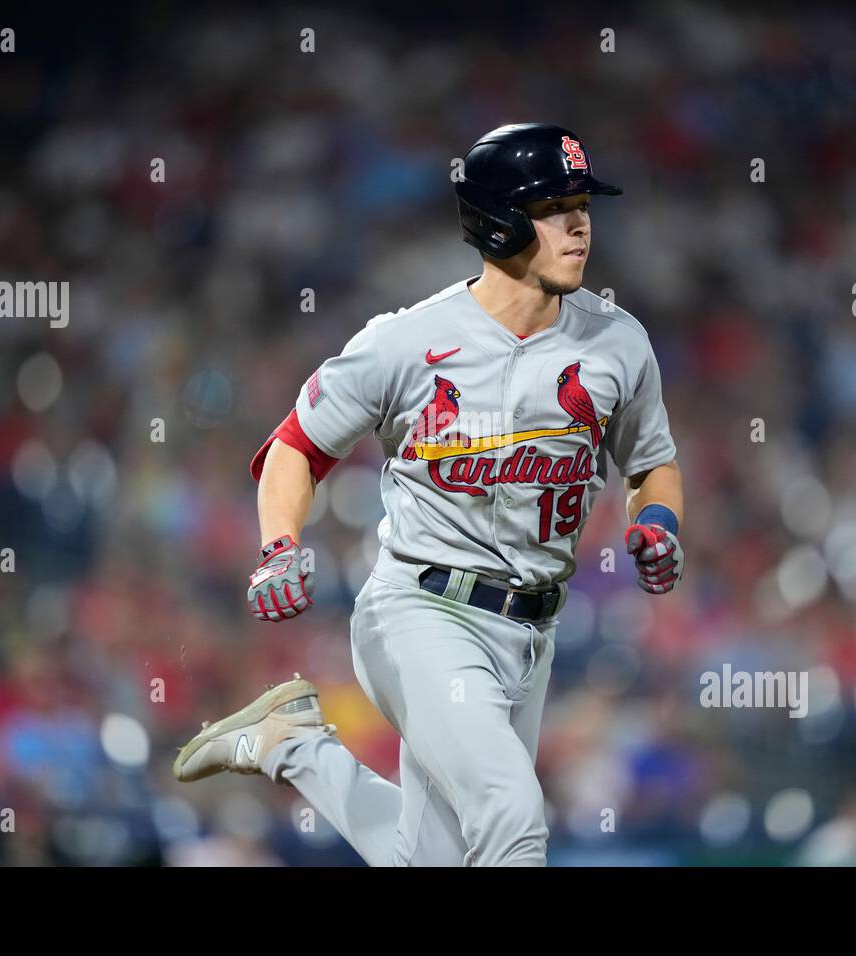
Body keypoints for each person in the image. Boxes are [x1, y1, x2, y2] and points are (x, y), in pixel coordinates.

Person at [173, 123, 686, 866]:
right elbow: (295, 446)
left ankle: (294, 746)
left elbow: (651, 463)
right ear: (499, 220)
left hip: (534, 631)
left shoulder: (619, 342)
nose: (580, 223)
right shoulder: (406, 342)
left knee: (435, 860)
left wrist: (660, 519)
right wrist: (279, 545)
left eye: (583, 203)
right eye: (554, 205)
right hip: (422, 611)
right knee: (511, 821)